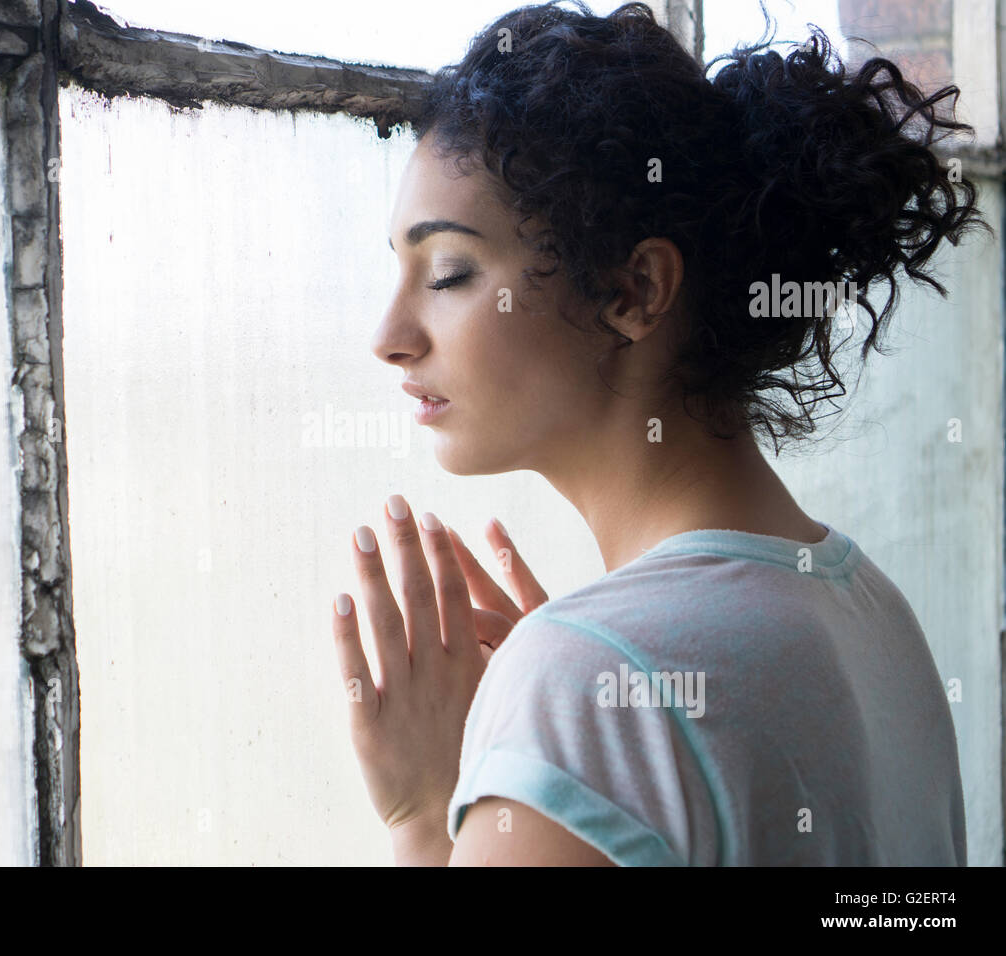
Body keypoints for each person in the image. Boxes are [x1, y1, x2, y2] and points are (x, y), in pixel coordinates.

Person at [330, 0, 988, 865]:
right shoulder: (875, 613)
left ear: (635, 291)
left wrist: (425, 810)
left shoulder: (578, 690)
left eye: (449, 272)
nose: (388, 337)